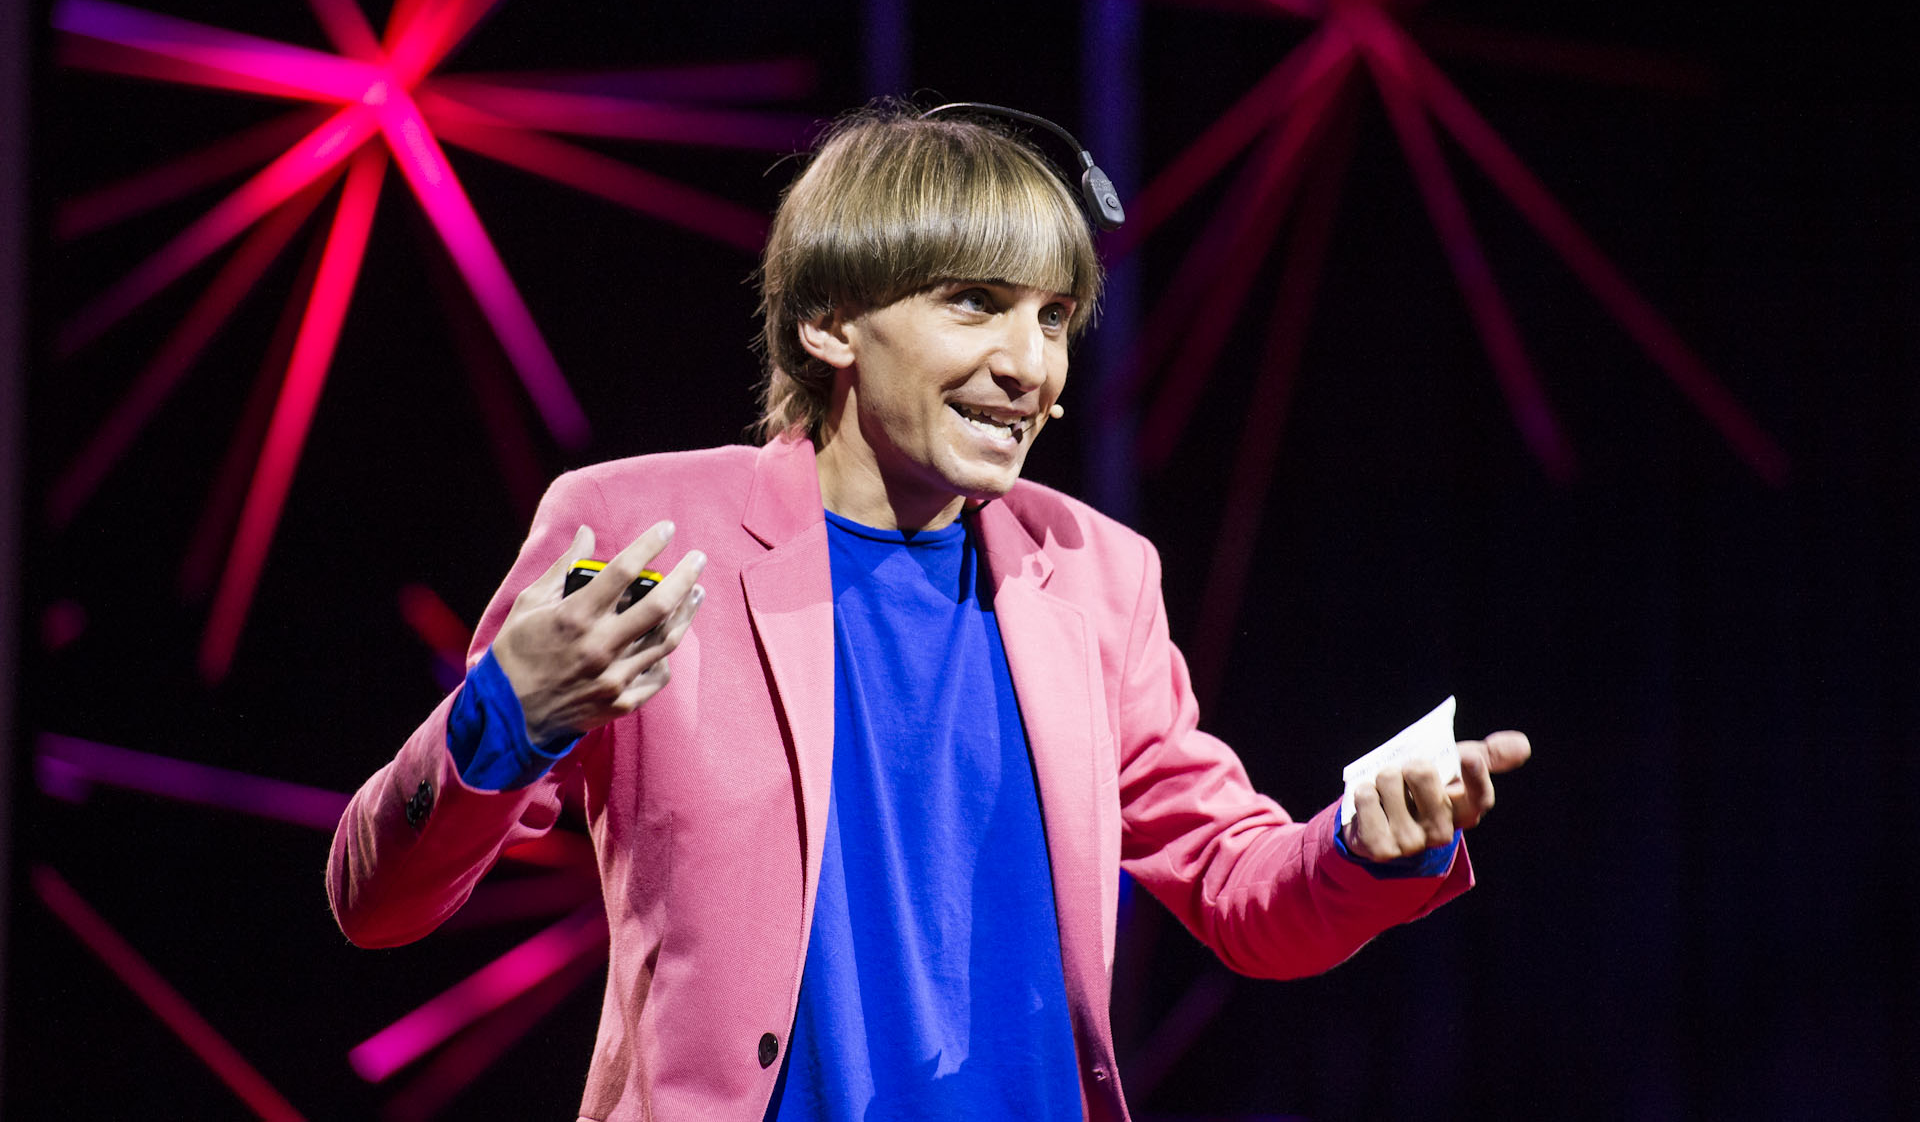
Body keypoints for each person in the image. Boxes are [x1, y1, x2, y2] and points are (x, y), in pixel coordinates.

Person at [328, 105, 1531, 1121]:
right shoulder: (647, 535)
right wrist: (503, 717)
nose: (1031, 367)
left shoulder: (1095, 575)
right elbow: (376, 905)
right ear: (829, 324)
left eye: (1053, 318)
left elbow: (1235, 888)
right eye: (975, 304)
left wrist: (1370, 844)